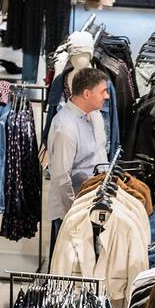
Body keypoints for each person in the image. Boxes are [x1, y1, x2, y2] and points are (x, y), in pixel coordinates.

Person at [46, 66, 111, 255]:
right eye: (103, 91)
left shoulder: (96, 116)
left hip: (94, 202)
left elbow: (100, 153)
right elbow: (61, 178)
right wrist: (73, 214)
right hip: (72, 210)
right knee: (66, 266)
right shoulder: (65, 128)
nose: (107, 96)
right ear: (86, 93)